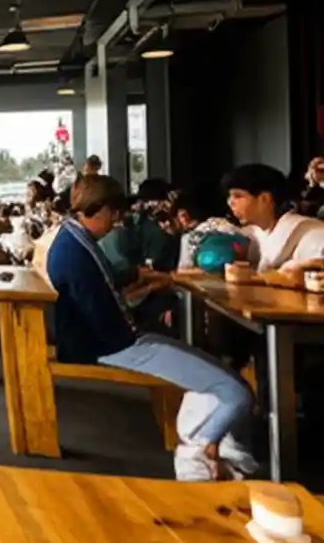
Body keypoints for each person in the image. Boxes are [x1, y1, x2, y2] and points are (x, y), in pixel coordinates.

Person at [46, 175, 254, 480]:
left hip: (103, 341)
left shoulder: (70, 239)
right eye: (115, 213)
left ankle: (214, 449)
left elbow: (99, 288)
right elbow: (103, 311)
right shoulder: (79, 250)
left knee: (214, 374)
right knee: (236, 392)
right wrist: (143, 325)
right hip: (113, 346)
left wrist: (133, 278)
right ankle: (197, 457)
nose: (117, 221)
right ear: (100, 208)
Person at [223, 163, 324, 276]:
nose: (230, 202)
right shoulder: (254, 234)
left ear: (264, 199)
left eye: (238, 196)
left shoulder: (313, 234)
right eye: (229, 196)